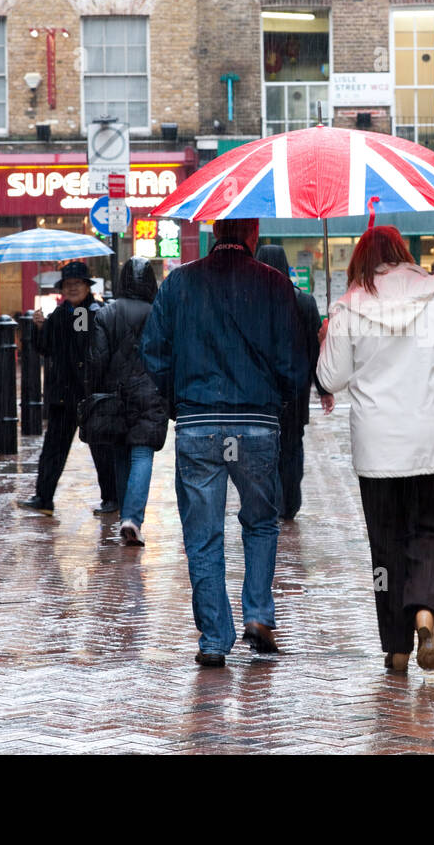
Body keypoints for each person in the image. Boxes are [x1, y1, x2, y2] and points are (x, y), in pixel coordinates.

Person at [141, 218, 307, 667]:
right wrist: (276, 401)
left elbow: (153, 351)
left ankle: (215, 637)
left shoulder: (179, 283)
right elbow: (294, 359)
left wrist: (179, 400)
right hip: (255, 422)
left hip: (199, 423)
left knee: (203, 535)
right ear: (252, 235)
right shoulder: (274, 285)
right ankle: (257, 613)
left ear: (216, 232)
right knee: (260, 522)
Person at [317, 226, 434, 674]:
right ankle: (425, 609)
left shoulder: (350, 306)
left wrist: (329, 333)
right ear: (404, 253)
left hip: (376, 447)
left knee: (384, 545)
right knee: (427, 531)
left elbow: (331, 379)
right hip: (427, 441)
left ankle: (397, 647)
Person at [19, 261, 119, 517]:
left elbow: (84, 344)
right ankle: (44, 497)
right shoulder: (61, 313)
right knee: (54, 447)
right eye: (67, 285)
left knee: (101, 448)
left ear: (87, 286)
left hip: (89, 393)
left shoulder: (92, 312)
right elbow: (46, 349)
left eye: (77, 284)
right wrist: (39, 327)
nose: (72, 288)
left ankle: (111, 498)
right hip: (63, 394)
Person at [86, 257, 170, 547]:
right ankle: (132, 518)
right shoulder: (160, 313)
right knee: (142, 455)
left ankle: (126, 516)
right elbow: (168, 355)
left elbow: (97, 360)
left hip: (116, 394)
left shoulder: (106, 313)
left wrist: (96, 392)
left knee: (120, 455)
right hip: (151, 393)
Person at [256, 244, 333, 521]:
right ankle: (290, 502)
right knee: (292, 446)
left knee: (263, 446)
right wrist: (323, 389)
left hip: (259, 390)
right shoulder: (305, 302)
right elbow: (315, 352)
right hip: (296, 389)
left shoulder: (248, 299)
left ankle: (269, 500)